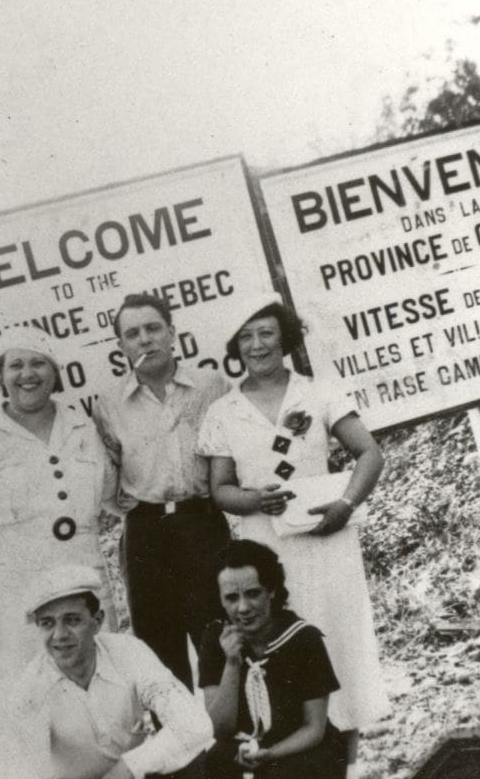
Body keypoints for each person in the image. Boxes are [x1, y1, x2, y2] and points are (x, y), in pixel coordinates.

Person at [197, 291, 389, 764]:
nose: (257, 345)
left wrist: (345, 503)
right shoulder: (224, 411)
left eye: (266, 332)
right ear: (234, 347)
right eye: (245, 337)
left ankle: (344, 765)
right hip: (266, 555)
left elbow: (370, 453)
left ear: (284, 336)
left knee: (338, 649)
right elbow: (219, 488)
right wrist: (253, 499)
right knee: (279, 658)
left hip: (327, 543)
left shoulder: (318, 391)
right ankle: (286, 760)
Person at [0, 327, 118, 778]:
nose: (27, 374)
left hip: (83, 583)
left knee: (100, 697)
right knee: (20, 707)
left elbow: (116, 498)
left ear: (56, 373)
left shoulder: (82, 427)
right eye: (15, 365)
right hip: (13, 595)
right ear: (1, 376)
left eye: (38, 363)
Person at [93, 293, 231, 689]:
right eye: (132, 334)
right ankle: (183, 749)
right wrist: (137, 512)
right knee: (158, 652)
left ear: (172, 333)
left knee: (219, 640)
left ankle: (233, 742)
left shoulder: (209, 385)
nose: (145, 340)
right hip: (146, 536)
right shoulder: (110, 404)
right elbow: (108, 477)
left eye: (153, 328)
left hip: (202, 524)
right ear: (121, 346)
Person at [7, 564, 213, 779]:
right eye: (47, 623)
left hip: (133, 775)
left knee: (194, 759)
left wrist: (128, 768)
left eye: (72, 620)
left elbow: (195, 724)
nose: (59, 635)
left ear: (97, 621)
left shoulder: (127, 651)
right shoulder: (28, 692)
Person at [199, 539, 346, 779]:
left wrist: (270, 754)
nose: (243, 607)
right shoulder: (216, 637)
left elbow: (314, 728)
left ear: (272, 590)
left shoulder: (303, 638)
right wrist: (232, 662)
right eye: (231, 598)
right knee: (213, 763)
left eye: (253, 593)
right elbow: (219, 728)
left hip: (300, 747)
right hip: (244, 746)